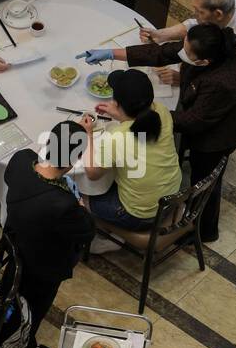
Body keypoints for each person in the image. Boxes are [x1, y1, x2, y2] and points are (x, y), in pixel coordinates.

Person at [80, 23, 236, 243]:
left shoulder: (225, 83)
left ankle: (204, 231)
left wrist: (105, 129)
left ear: (203, 62)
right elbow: (161, 52)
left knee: (206, 180)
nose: (181, 52)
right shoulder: (161, 111)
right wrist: (112, 53)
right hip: (166, 196)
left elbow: (193, 120)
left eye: (186, 52)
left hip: (217, 135)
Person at [3, 122, 96, 348]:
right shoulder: (62, 204)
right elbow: (86, 232)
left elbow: (9, 176)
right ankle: (21, 345)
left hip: (14, 243)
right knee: (34, 305)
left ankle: (3, 320)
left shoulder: (21, 160)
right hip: (43, 264)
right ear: (74, 159)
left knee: (10, 290)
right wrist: (81, 205)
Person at [75, 69, 183, 241]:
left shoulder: (117, 138)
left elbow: (93, 173)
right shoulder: (161, 111)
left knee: (80, 192)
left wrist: (87, 134)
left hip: (141, 216)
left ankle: (109, 239)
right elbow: (138, 127)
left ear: (117, 103)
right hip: (172, 197)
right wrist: (121, 115)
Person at [139, 0, 236, 120]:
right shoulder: (229, 5)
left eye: (199, 11)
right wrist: (161, 35)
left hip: (229, 104)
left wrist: (184, 79)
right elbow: (196, 24)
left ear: (218, 14)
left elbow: (224, 82)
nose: (195, 15)